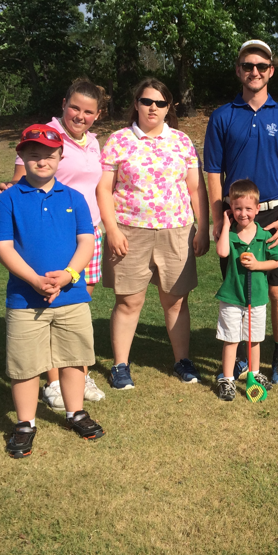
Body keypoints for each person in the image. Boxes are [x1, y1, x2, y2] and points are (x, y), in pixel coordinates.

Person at [0, 124, 105, 458]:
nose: (42, 161)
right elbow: (3, 246)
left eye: (49, 155)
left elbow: (86, 240)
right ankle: (25, 424)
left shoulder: (75, 198)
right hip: (25, 298)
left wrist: (69, 275)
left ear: (60, 157)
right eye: (34, 155)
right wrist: (34, 280)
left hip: (72, 296)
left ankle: (76, 413)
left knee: (74, 358)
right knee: (26, 365)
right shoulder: (7, 199)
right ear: (22, 156)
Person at [97, 78, 210, 390]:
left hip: (177, 231)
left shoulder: (182, 141)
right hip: (129, 232)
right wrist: (112, 230)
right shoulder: (119, 140)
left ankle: (182, 361)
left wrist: (203, 227)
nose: (153, 108)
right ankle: (120, 366)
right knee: (128, 302)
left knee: (175, 302)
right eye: (147, 101)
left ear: (168, 107)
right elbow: (104, 189)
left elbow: (195, 188)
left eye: (160, 103)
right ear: (136, 104)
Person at [203, 40, 278, 385]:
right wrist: (220, 216)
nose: (255, 72)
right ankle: (244, 359)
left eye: (262, 66)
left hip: (272, 215)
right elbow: (213, 172)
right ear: (238, 70)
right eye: (248, 66)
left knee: (275, 288)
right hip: (236, 216)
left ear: (271, 70)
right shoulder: (222, 116)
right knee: (239, 287)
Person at [215, 180, 278, 401]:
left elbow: (275, 262)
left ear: (257, 208)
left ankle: (254, 373)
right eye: (237, 208)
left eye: (248, 209)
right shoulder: (231, 235)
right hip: (233, 296)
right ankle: (227, 380)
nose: (243, 214)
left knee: (254, 339)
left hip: (258, 296)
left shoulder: (264, 235)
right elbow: (223, 252)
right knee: (231, 339)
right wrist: (225, 225)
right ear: (231, 209)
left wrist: (258, 265)